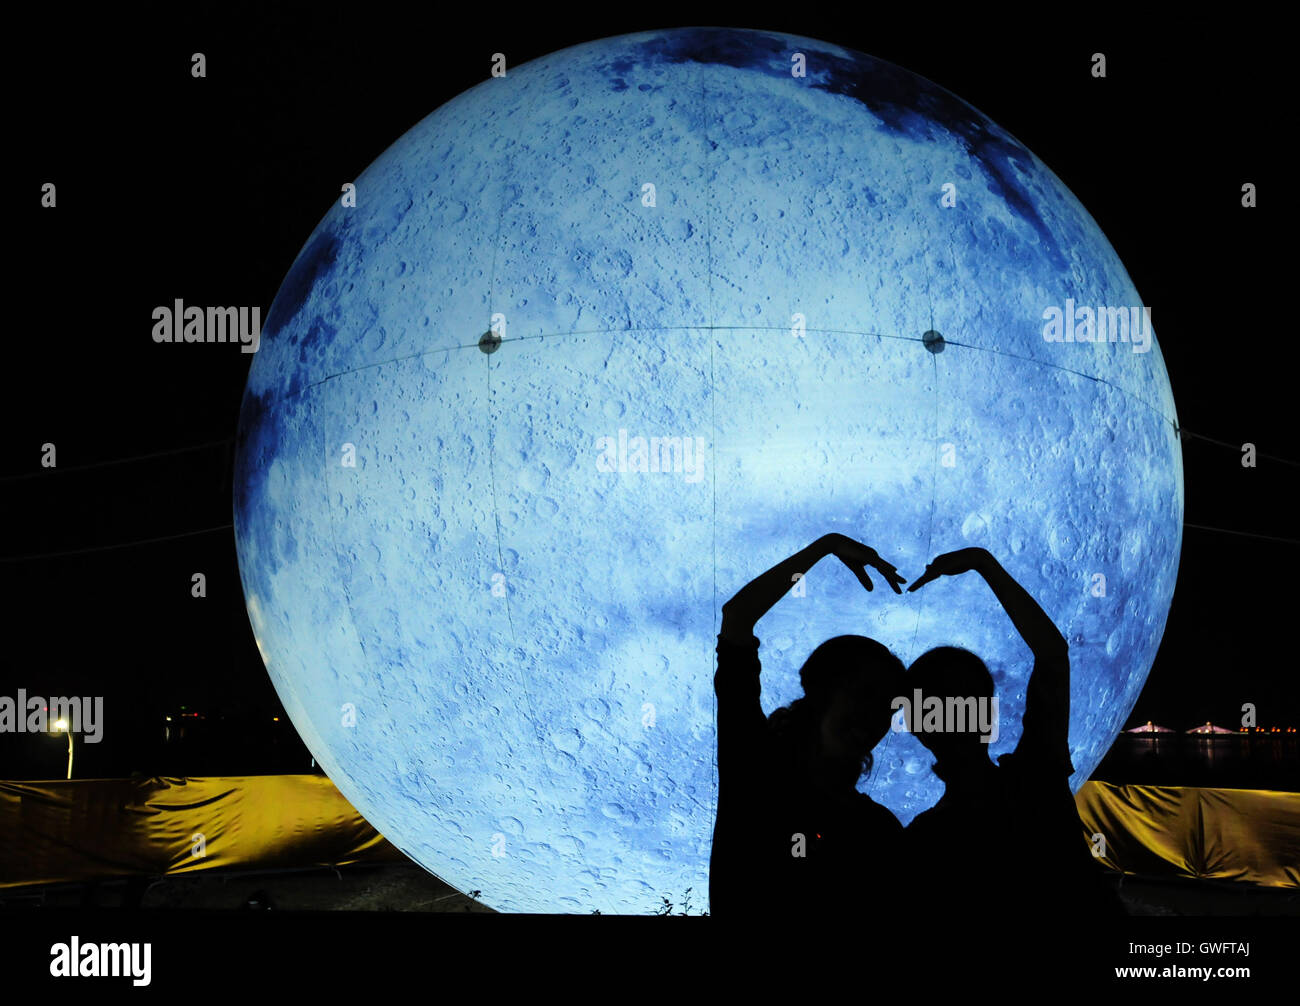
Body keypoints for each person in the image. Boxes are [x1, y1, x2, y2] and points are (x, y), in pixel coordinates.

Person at [904, 547, 1123, 916]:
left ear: (917, 727)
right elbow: (1052, 653)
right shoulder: (1038, 779)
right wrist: (982, 563)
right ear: (989, 717)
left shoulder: (925, 840)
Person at [710, 532, 909, 918]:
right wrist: (826, 546)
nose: (874, 717)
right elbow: (738, 619)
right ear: (821, 691)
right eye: (864, 693)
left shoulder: (879, 829)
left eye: (888, 706)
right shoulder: (754, 763)